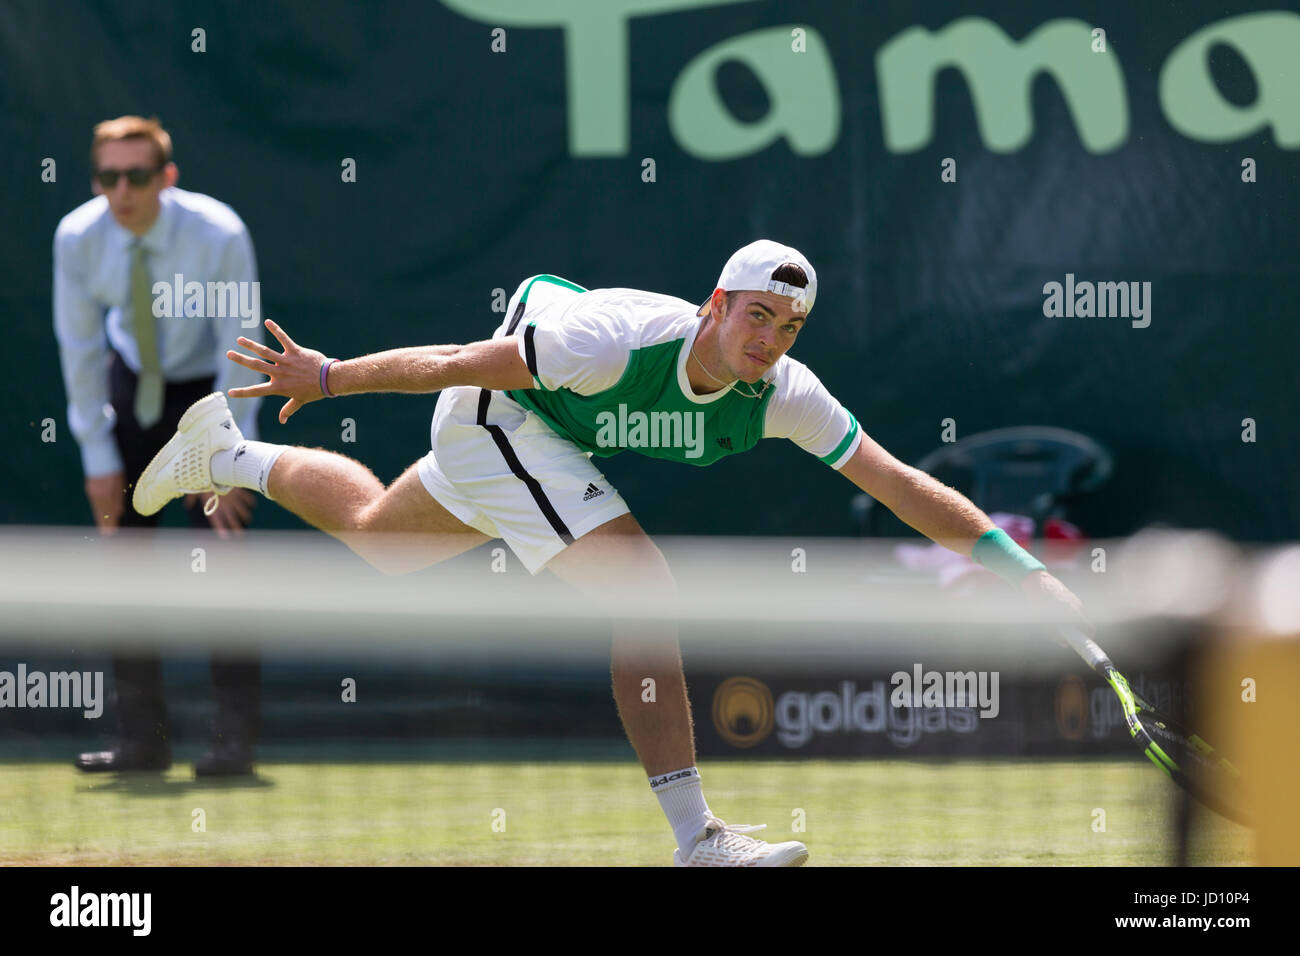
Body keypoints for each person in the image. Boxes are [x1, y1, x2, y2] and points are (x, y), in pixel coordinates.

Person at [132, 240, 1088, 863]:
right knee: (645, 591)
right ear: (716, 305)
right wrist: (331, 377)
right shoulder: (610, 342)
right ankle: (697, 838)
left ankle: (229, 452)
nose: (769, 339)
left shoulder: (786, 394)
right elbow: (461, 364)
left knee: (383, 536)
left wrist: (1024, 568)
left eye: (788, 327)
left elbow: (896, 483)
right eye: (756, 315)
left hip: (541, 435)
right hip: (501, 405)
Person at [52, 115, 264, 776]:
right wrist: (98, 459)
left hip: (209, 392)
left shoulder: (220, 234)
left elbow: (242, 343)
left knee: (223, 564)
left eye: (137, 176)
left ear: (165, 178)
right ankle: (143, 741)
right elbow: (80, 350)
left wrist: (223, 456)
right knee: (125, 568)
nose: (122, 191)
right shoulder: (78, 237)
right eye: (109, 177)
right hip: (129, 393)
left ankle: (233, 743)